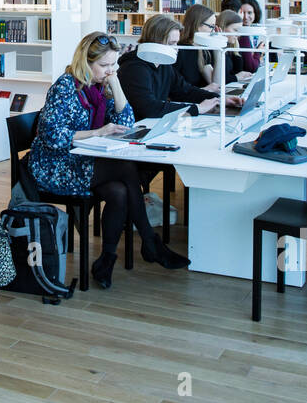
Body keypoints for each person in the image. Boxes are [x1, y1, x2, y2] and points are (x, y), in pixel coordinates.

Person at [26, 32, 189, 288]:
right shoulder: (66, 86)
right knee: (125, 168)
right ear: (85, 61)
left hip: (85, 160)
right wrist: (97, 132)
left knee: (120, 191)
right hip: (55, 164)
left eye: (114, 64)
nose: (110, 71)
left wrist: (116, 85)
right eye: (104, 65)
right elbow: (51, 136)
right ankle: (150, 242)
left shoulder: (102, 86)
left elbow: (126, 124)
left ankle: (106, 259)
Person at [116, 15, 227, 119]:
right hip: (139, 128)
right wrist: (197, 108)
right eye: (171, 43)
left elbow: (185, 91)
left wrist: (218, 99)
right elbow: (148, 108)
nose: (176, 49)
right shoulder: (133, 68)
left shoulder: (163, 64)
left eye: (176, 43)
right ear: (156, 42)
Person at [175, 5, 222, 90]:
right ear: (197, 24)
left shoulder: (203, 50)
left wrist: (218, 51)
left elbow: (216, 83)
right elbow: (176, 90)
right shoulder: (180, 50)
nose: (213, 32)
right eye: (211, 27)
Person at [216, 10, 254, 81]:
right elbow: (219, 80)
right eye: (235, 30)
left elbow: (238, 70)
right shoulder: (216, 50)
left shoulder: (231, 46)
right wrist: (236, 77)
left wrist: (236, 49)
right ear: (222, 28)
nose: (238, 35)